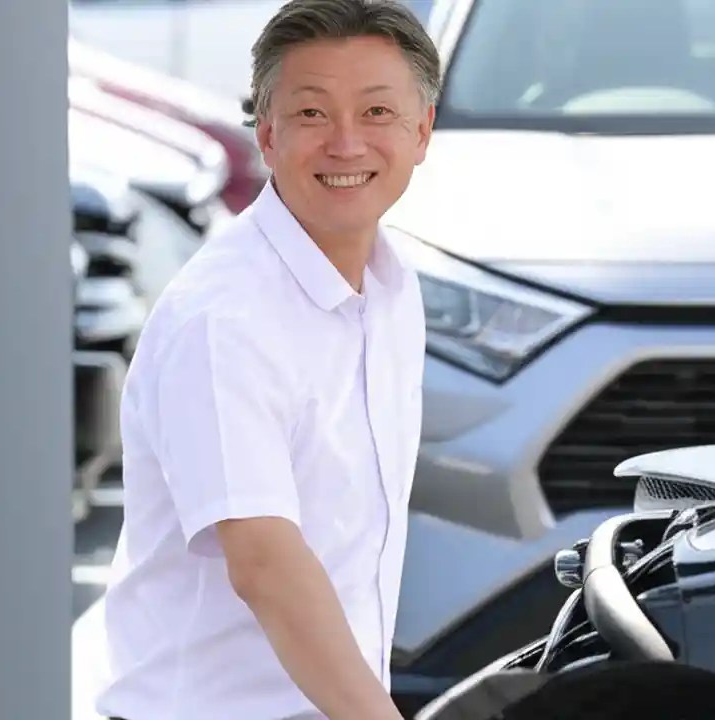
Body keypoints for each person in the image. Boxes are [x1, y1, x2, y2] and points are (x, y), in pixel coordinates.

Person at [94, 1, 439, 718]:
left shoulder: (391, 287)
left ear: (422, 132)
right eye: (313, 114)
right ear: (269, 133)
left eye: (377, 112)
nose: (347, 144)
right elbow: (264, 562)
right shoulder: (225, 318)